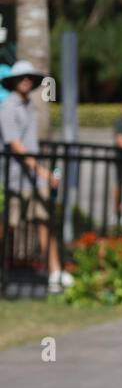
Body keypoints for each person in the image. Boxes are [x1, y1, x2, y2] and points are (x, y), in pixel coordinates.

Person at [0, 61, 65, 291]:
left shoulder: (30, 106)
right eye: (22, 77)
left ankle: (56, 273)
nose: (26, 80)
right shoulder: (8, 107)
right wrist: (43, 172)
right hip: (14, 178)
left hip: (32, 178)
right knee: (7, 225)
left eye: (29, 77)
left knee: (44, 221)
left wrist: (41, 172)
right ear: (13, 81)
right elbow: (15, 144)